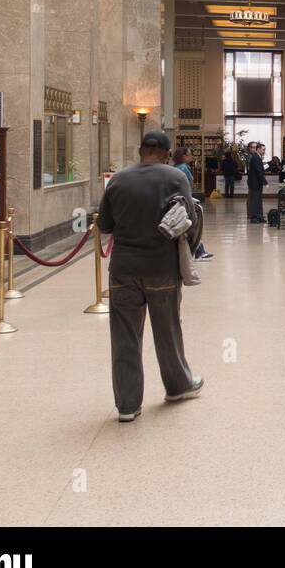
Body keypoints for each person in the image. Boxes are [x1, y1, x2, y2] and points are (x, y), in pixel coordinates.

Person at [97, 130, 205, 423]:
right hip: (162, 268)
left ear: (139, 150)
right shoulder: (175, 178)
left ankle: (128, 405)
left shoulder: (118, 179)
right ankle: (178, 387)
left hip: (123, 269)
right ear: (167, 154)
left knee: (124, 337)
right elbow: (190, 222)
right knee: (167, 331)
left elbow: (105, 224)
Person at [172, 147, 213, 260]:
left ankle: (200, 251)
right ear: (184, 156)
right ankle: (199, 253)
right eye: (190, 154)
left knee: (190, 227)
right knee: (193, 226)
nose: (192, 156)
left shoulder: (175, 167)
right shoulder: (184, 168)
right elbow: (186, 185)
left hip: (179, 199)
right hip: (186, 199)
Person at [246, 141, 266, 223]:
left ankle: (257, 215)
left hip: (256, 181)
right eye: (253, 147)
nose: (255, 149)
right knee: (253, 199)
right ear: (250, 148)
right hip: (253, 181)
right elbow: (251, 170)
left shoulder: (256, 157)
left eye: (256, 147)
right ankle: (253, 215)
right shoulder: (251, 157)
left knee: (255, 199)